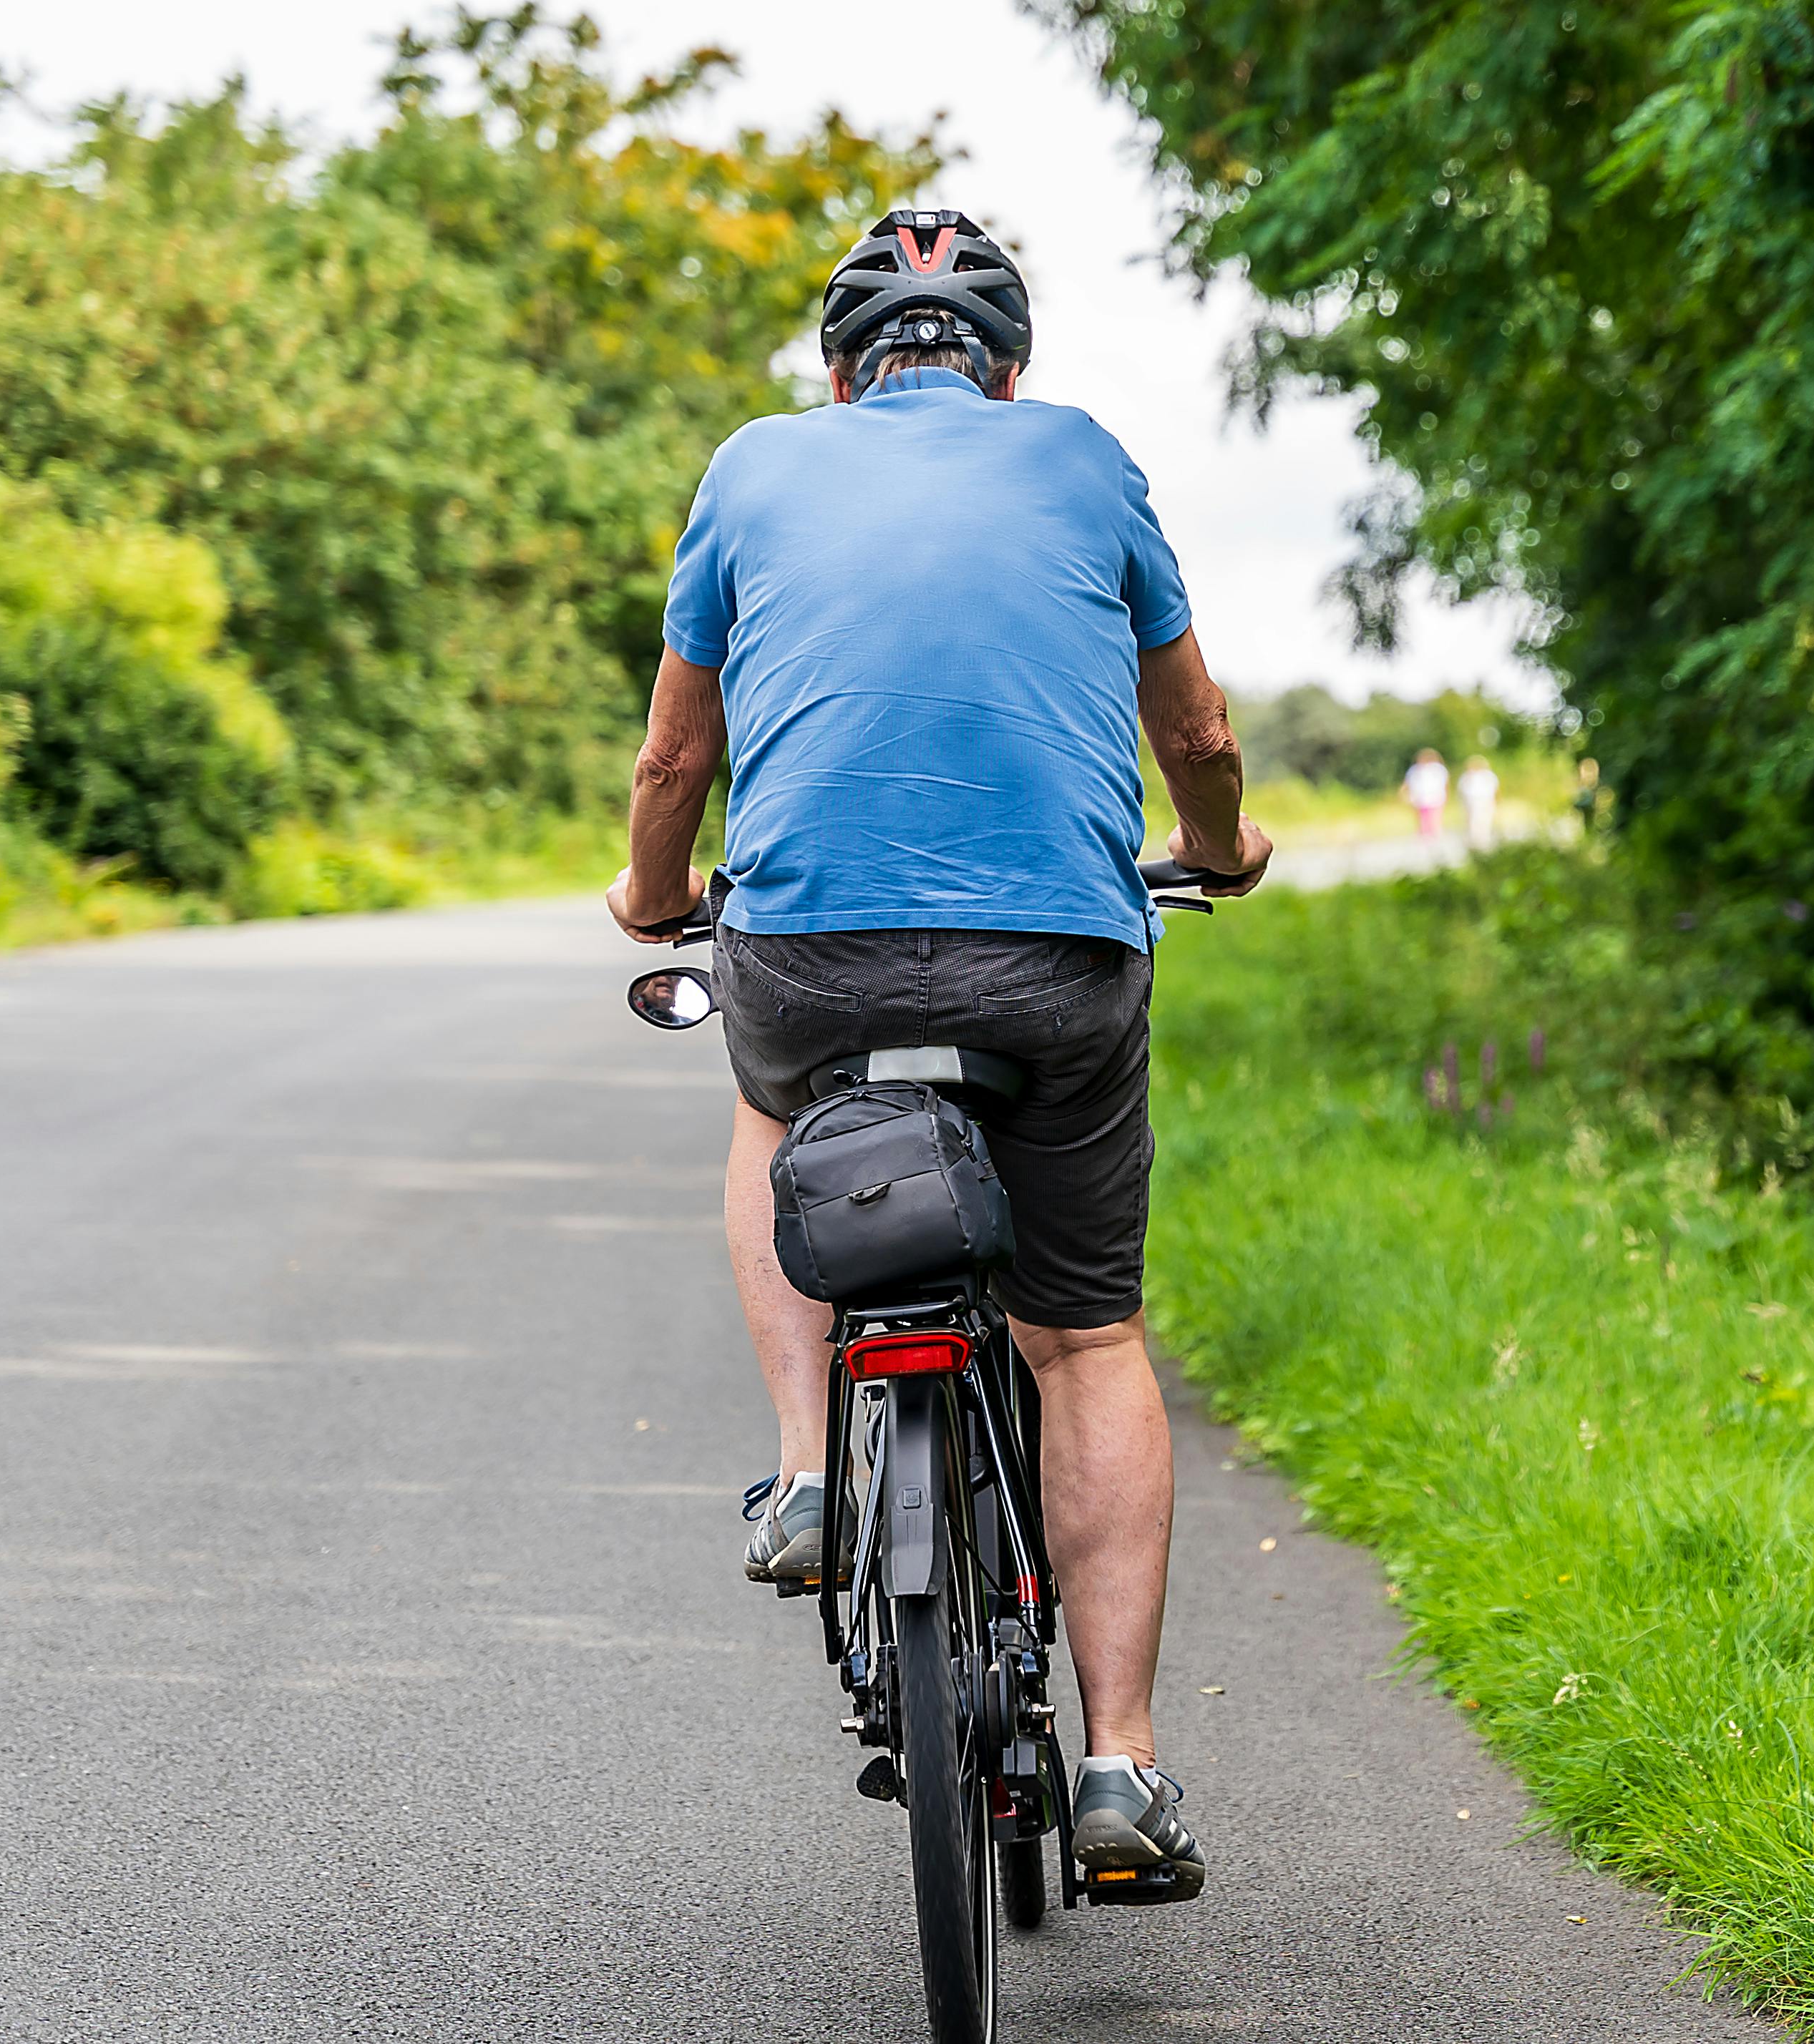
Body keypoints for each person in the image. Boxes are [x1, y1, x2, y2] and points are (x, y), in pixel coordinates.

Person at [607, 207, 1267, 1903]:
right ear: (1009, 370)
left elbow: (679, 759)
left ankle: (814, 1477)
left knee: (771, 1114)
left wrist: (653, 896)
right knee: (1086, 1335)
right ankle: (1115, 1763)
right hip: (1055, 958)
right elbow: (1190, 726)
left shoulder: (753, 469)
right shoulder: (1082, 459)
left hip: (809, 952)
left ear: (840, 378)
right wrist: (1226, 844)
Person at [1401, 748, 1449, 837]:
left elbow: (1444, 783)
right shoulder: (1415, 770)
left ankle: (1433, 836)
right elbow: (1408, 782)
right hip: (1421, 798)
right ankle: (1425, 836)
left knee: (1434, 819)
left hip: (1435, 798)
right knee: (1422, 819)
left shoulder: (1437, 769)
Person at [1458, 753, 1501, 851]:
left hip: (1486, 801)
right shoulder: (1466, 777)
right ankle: (1474, 840)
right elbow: (1461, 790)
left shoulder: (1489, 776)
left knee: (1485, 820)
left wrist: (1496, 801)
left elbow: (1496, 790)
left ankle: (1483, 840)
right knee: (1473, 821)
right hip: (1472, 801)